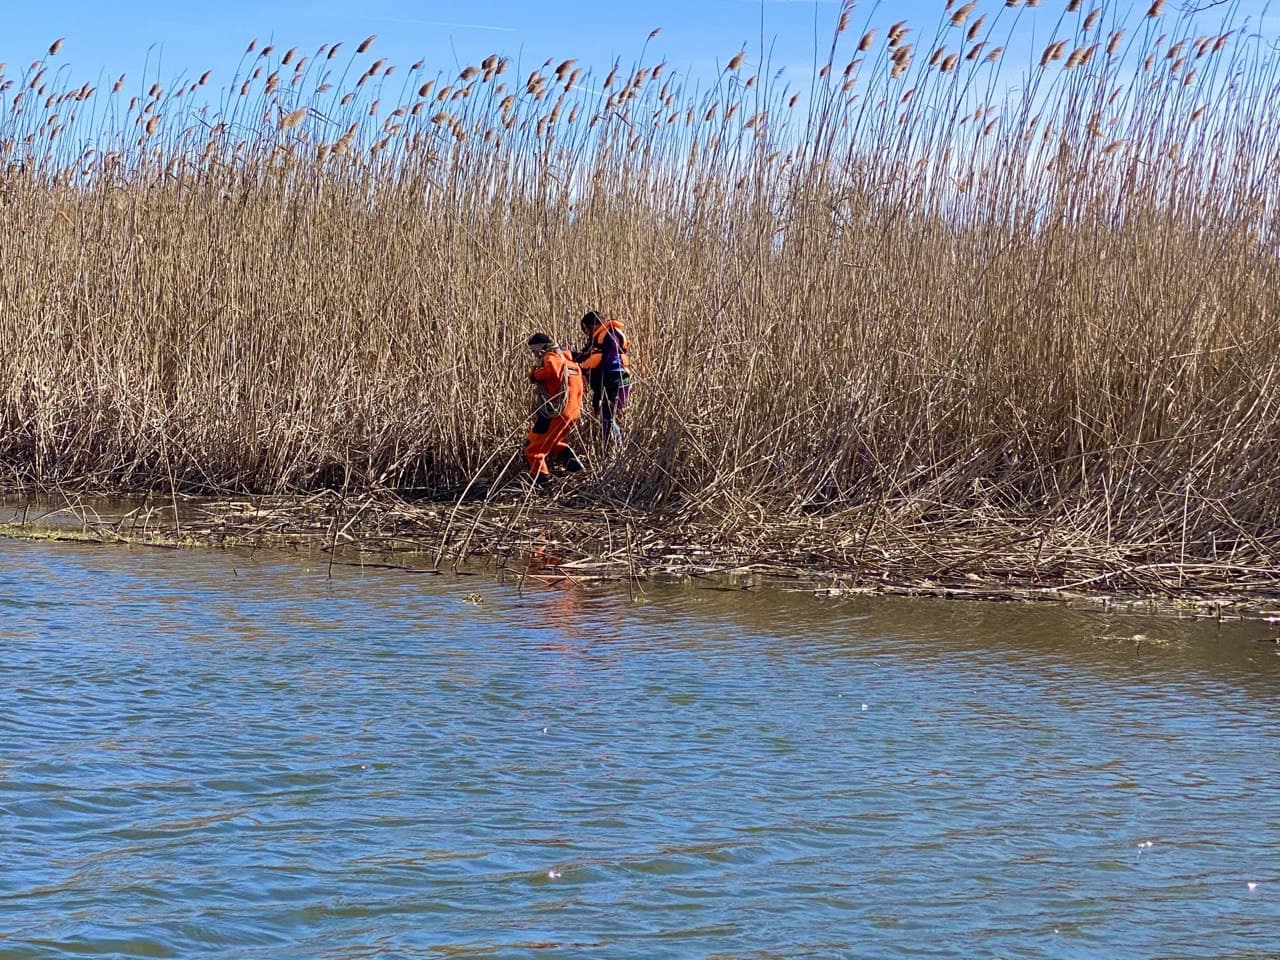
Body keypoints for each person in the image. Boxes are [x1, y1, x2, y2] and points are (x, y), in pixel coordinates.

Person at [524, 332, 584, 486]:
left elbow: (552, 370)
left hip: (558, 412)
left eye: (534, 351)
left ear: (543, 348)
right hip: (573, 412)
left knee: (533, 451)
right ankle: (575, 468)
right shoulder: (571, 364)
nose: (534, 354)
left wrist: (534, 375)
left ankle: (541, 483)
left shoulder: (551, 357)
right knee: (553, 441)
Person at [573, 310, 631, 446]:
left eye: (585, 329)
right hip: (605, 383)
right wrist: (565, 354)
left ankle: (616, 450)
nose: (585, 332)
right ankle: (610, 448)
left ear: (592, 326)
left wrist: (598, 369)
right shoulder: (595, 340)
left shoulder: (610, 334)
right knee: (606, 418)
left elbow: (610, 357)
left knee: (608, 419)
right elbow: (585, 356)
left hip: (616, 382)